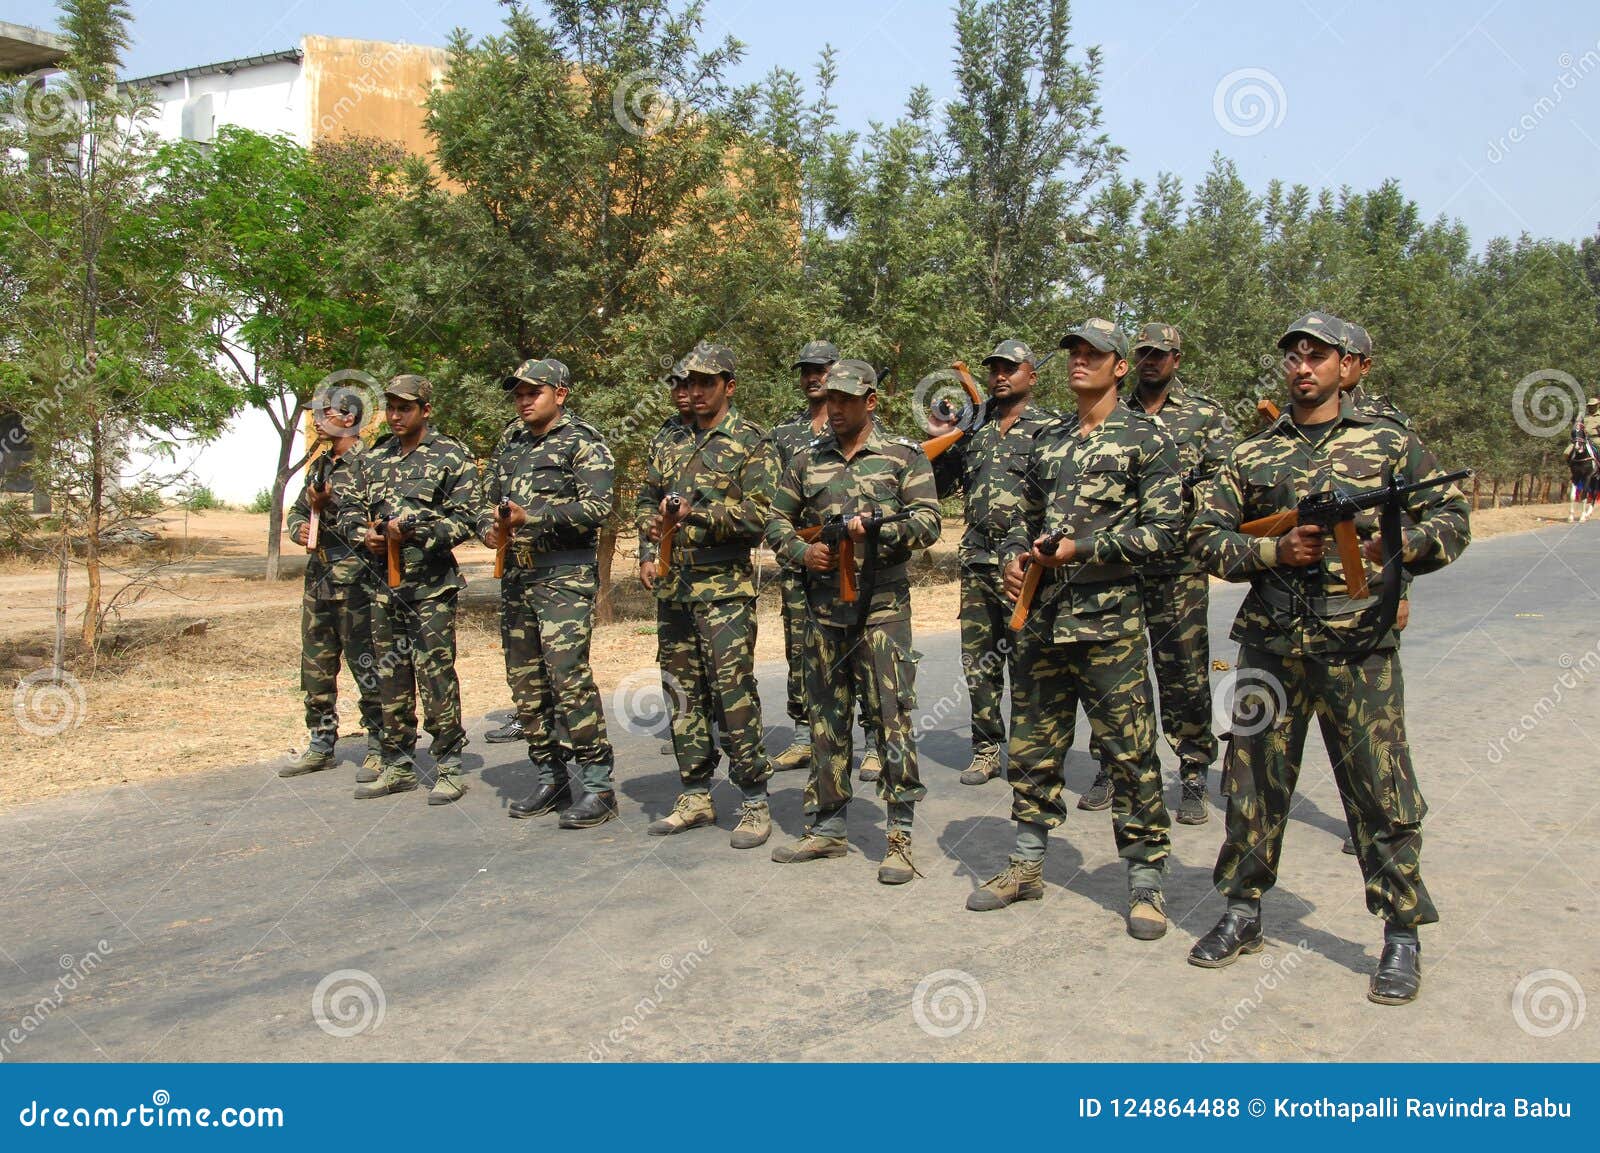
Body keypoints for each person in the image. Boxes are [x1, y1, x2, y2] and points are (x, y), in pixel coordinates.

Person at [1186, 312, 1470, 1005]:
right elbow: (1202, 535)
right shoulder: (1251, 455)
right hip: (1271, 644)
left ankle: (1401, 931)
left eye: (1318, 356)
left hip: (1359, 646)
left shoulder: (1392, 443)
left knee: (1380, 789)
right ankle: (1243, 909)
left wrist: (1398, 547)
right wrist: (1273, 550)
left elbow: (1452, 516)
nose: (1303, 367)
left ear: (1351, 367)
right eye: (1294, 356)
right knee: (1252, 785)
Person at [976, 318, 1183, 941]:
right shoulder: (1049, 439)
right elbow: (1020, 516)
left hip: (1109, 626)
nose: (1079, 361)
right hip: (1041, 621)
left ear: (1120, 366)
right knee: (1032, 746)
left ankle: (1145, 882)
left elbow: (1165, 534)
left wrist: (1082, 550)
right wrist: (1013, 557)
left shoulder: (1147, 438)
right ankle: (1027, 864)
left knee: (1130, 753)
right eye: (1073, 352)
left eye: (1094, 353)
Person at [765, 360, 941, 883]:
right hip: (823, 611)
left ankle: (899, 835)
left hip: (882, 609)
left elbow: (928, 521)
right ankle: (828, 827)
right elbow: (775, 519)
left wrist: (879, 530)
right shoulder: (806, 459)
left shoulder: (903, 455)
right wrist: (803, 552)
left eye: (846, 399)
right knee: (826, 718)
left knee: (891, 717)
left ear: (871, 401)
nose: (836, 408)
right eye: (830, 399)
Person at [636, 342, 778, 848]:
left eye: (706, 383)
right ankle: (695, 793)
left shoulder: (752, 442)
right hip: (673, 588)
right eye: (688, 382)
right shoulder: (669, 438)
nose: (694, 391)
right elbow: (647, 499)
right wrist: (648, 547)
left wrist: (693, 515)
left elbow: (761, 517)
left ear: (728, 387)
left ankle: (754, 798)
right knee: (680, 691)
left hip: (724, 591)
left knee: (732, 693)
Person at [1090, 322, 1231, 825]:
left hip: (1179, 567)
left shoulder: (1205, 415)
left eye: (1160, 354)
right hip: (1120, 565)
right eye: (1143, 353)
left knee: (1184, 673)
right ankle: (1113, 765)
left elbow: (1225, 485)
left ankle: (1192, 770)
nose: (1150, 361)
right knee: (1114, 674)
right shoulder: (1112, 411)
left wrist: (1176, 494)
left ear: (1176, 359)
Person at [483, 358, 619, 828]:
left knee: (568, 678)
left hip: (563, 575)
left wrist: (533, 517)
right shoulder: (510, 442)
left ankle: (598, 785)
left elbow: (597, 507)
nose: (523, 401)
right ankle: (551, 776)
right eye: (518, 394)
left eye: (533, 392)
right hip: (516, 577)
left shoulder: (583, 441)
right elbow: (486, 500)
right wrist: (488, 528)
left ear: (560, 394)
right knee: (526, 683)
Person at [342, 375, 479, 805]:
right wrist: (365, 535)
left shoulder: (451, 455)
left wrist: (417, 531)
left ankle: (449, 765)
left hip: (430, 588)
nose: (396, 416)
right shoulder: (374, 456)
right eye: (391, 408)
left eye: (405, 408)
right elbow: (347, 509)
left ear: (425, 410)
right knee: (390, 677)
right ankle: (398, 763)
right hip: (382, 587)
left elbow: (466, 518)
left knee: (435, 675)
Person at [929, 339, 1058, 786]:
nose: (1000, 376)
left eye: (1010, 368)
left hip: (1026, 565)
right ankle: (985, 748)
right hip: (977, 561)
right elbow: (939, 486)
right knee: (979, 664)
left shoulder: (1050, 429)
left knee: (1029, 661)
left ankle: (1028, 751)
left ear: (1031, 377)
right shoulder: (976, 431)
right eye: (995, 369)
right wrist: (944, 435)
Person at [769, 340, 883, 780]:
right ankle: (805, 736)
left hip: (859, 568)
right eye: (806, 370)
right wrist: (800, 550)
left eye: (821, 369)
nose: (813, 377)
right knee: (802, 652)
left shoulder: (872, 432)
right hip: (803, 566)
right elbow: (777, 508)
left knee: (867, 656)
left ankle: (873, 742)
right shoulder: (785, 435)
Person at [279, 387, 383, 782]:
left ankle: (381, 744)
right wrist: (300, 528)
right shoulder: (320, 465)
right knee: (316, 667)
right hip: (319, 579)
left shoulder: (370, 465)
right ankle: (321, 743)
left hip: (358, 581)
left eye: (323, 413)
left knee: (367, 664)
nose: (316, 421)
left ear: (348, 417)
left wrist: (328, 515)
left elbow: (376, 523)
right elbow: (297, 512)